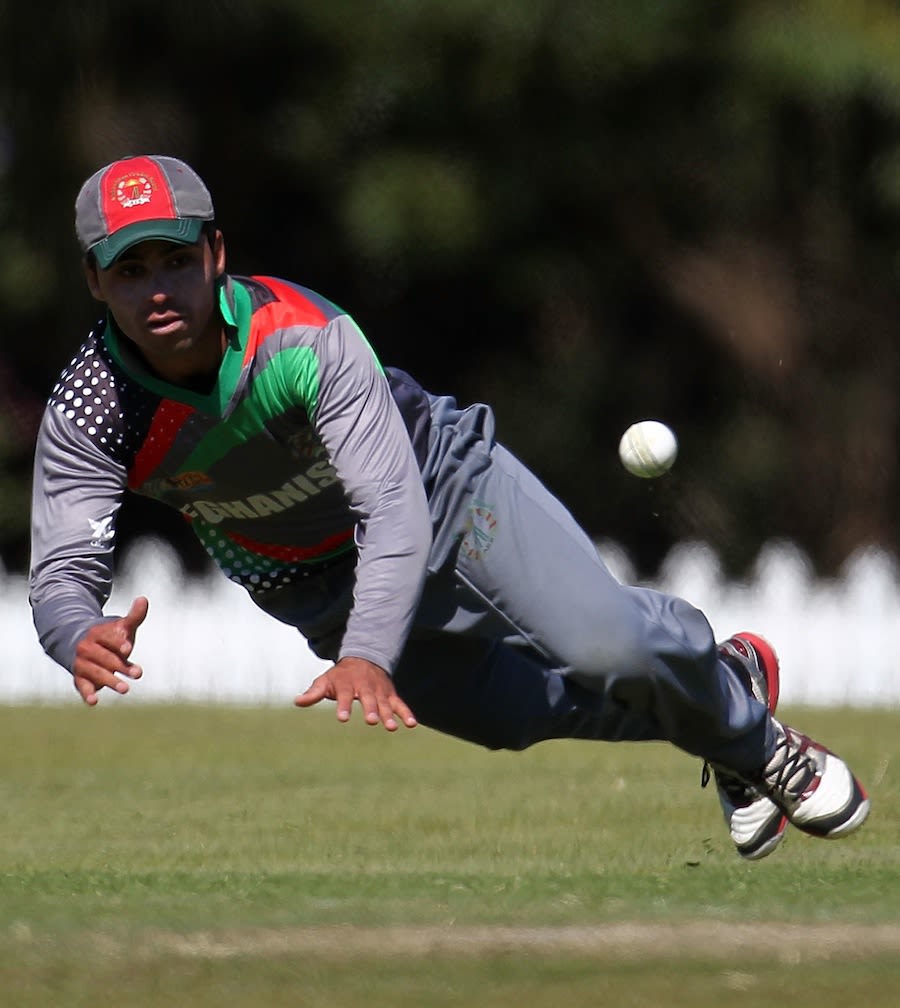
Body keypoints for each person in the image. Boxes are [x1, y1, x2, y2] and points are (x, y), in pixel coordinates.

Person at [30, 154, 870, 861]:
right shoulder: (93, 409)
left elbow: (393, 508)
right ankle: (721, 688)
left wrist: (368, 651)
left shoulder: (299, 337)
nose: (158, 290)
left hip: (444, 489)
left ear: (216, 253)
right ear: (94, 280)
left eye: (175, 259)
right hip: (307, 583)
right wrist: (77, 632)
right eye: (130, 270)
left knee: (602, 644)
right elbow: (63, 571)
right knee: (515, 719)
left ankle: (761, 747)